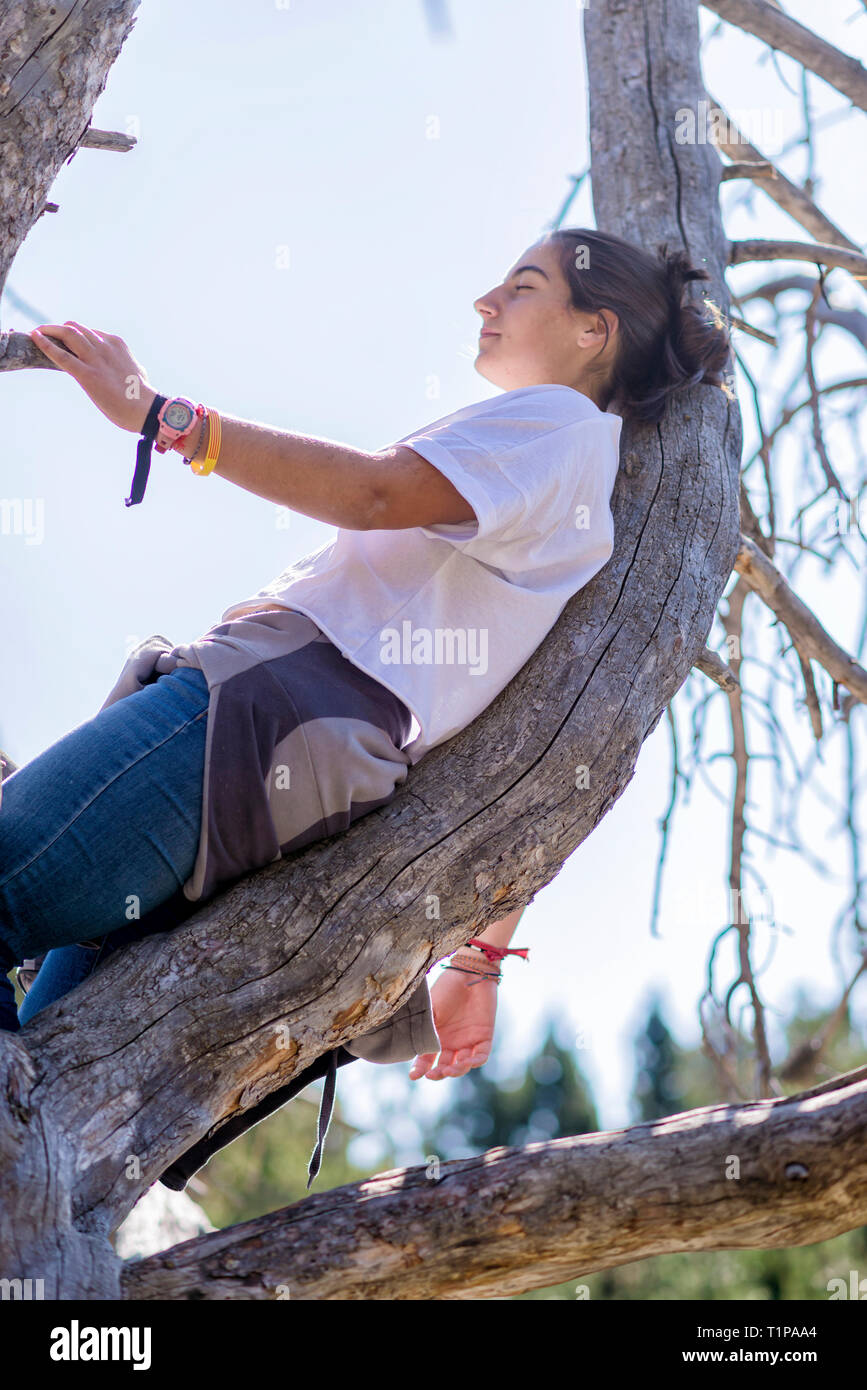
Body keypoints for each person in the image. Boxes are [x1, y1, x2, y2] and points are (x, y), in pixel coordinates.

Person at [1, 227, 730, 1165]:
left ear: (596, 331)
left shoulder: (553, 426)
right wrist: (481, 957)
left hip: (263, 710)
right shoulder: (575, 486)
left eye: (522, 286)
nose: (486, 302)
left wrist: (160, 416)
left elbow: (377, 494)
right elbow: (515, 749)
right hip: (301, 758)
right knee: (45, 1091)